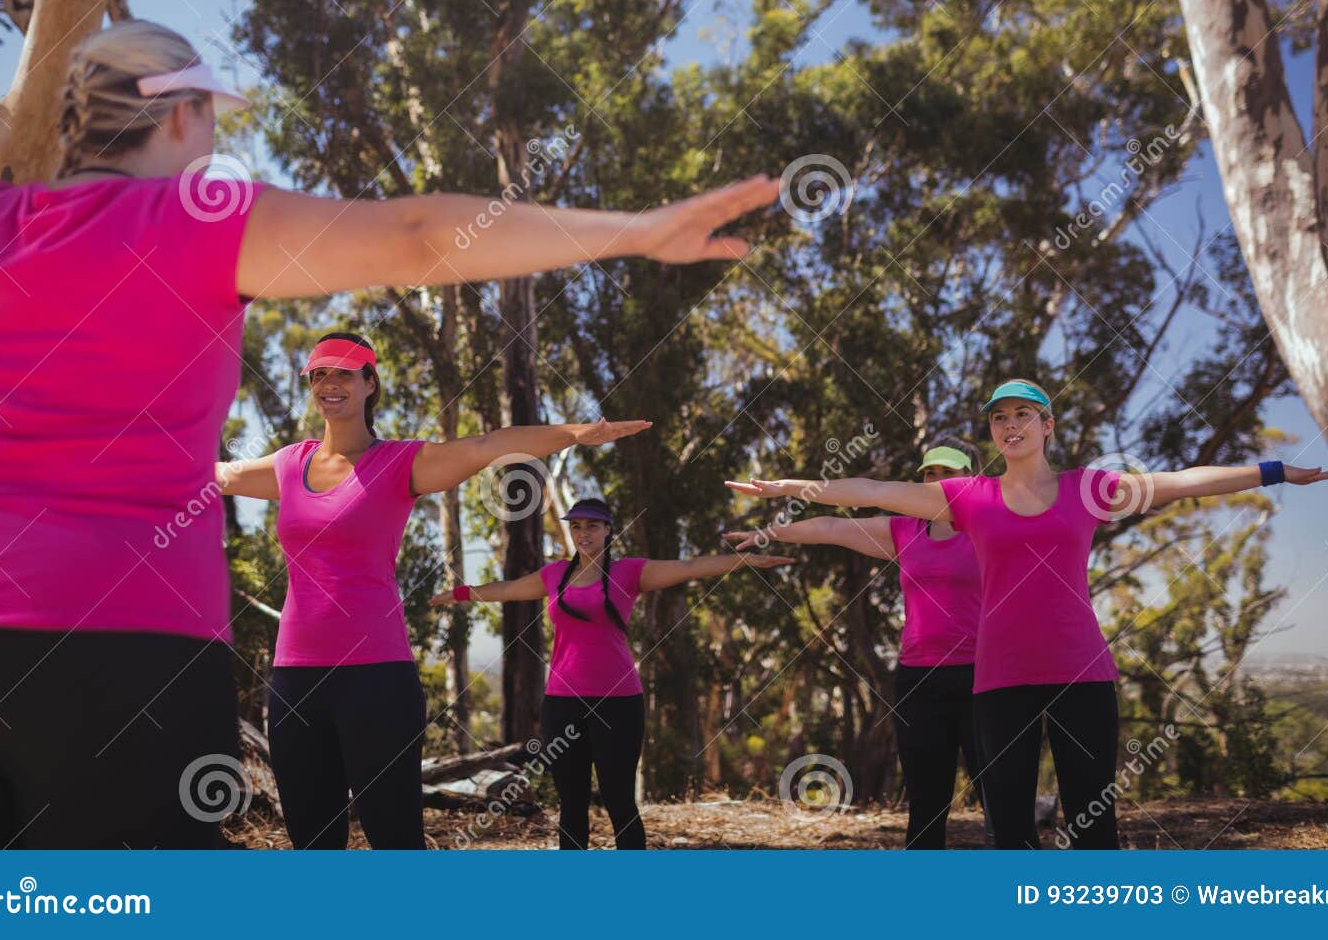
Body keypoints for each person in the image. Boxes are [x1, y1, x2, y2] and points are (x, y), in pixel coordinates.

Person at [0, 18, 779, 848]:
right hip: (125, 642)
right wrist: (637, 230)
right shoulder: (197, 220)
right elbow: (418, 237)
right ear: (181, 114)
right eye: (210, 115)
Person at [727, 379, 1328, 849]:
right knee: (1012, 835)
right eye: (999, 417)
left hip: (1083, 677)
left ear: (1047, 425)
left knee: (1095, 828)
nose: (1010, 424)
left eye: (1023, 414)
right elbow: (863, 493)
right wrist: (788, 490)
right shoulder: (967, 498)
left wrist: (1274, 471)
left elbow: (1180, 481)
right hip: (998, 684)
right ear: (993, 433)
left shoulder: (1089, 488)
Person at [215, 329, 649, 849]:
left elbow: (488, 444)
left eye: (344, 373)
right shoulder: (290, 465)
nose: (330, 384)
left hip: (376, 678)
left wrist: (574, 433)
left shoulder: (400, 462)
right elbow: (219, 474)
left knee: (395, 839)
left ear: (370, 383)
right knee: (312, 844)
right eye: (319, 374)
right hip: (294, 682)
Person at [430, 497, 793, 848]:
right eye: (576, 527)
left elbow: (689, 567)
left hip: (618, 704)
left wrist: (746, 559)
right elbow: (508, 589)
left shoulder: (629, 572)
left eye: (591, 525)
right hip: (561, 703)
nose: (583, 533)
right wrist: (461, 593)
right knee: (571, 804)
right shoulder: (555, 574)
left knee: (619, 801)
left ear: (608, 530)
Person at [723, 440, 989, 849]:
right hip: (918, 680)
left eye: (949, 473)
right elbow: (831, 528)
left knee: (1000, 798)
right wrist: (769, 532)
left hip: (981, 677)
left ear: (972, 479)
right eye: (929, 474)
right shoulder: (904, 530)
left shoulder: (989, 528)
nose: (937, 482)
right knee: (926, 802)